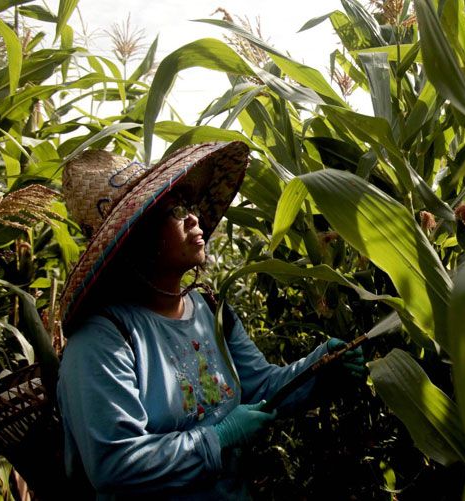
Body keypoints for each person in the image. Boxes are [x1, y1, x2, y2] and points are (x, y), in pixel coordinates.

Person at [56, 141, 367, 500]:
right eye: (174, 212)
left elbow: (262, 387)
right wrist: (218, 438)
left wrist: (321, 367)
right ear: (136, 238)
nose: (193, 217)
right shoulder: (102, 341)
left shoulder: (208, 309)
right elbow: (115, 464)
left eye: (188, 206)